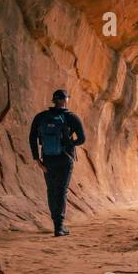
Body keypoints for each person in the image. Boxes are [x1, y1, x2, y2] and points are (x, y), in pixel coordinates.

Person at [29, 89, 86, 236]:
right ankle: (59, 227)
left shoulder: (41, 117)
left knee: (51, 190)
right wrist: (69, 142)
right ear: (65, 100)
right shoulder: (71, 117)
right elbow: (82, 139)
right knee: (61, 191)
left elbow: (32, 138)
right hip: (65, 159)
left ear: (54, 100)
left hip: (47, 159)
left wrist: (37, 159)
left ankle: (56, 223)